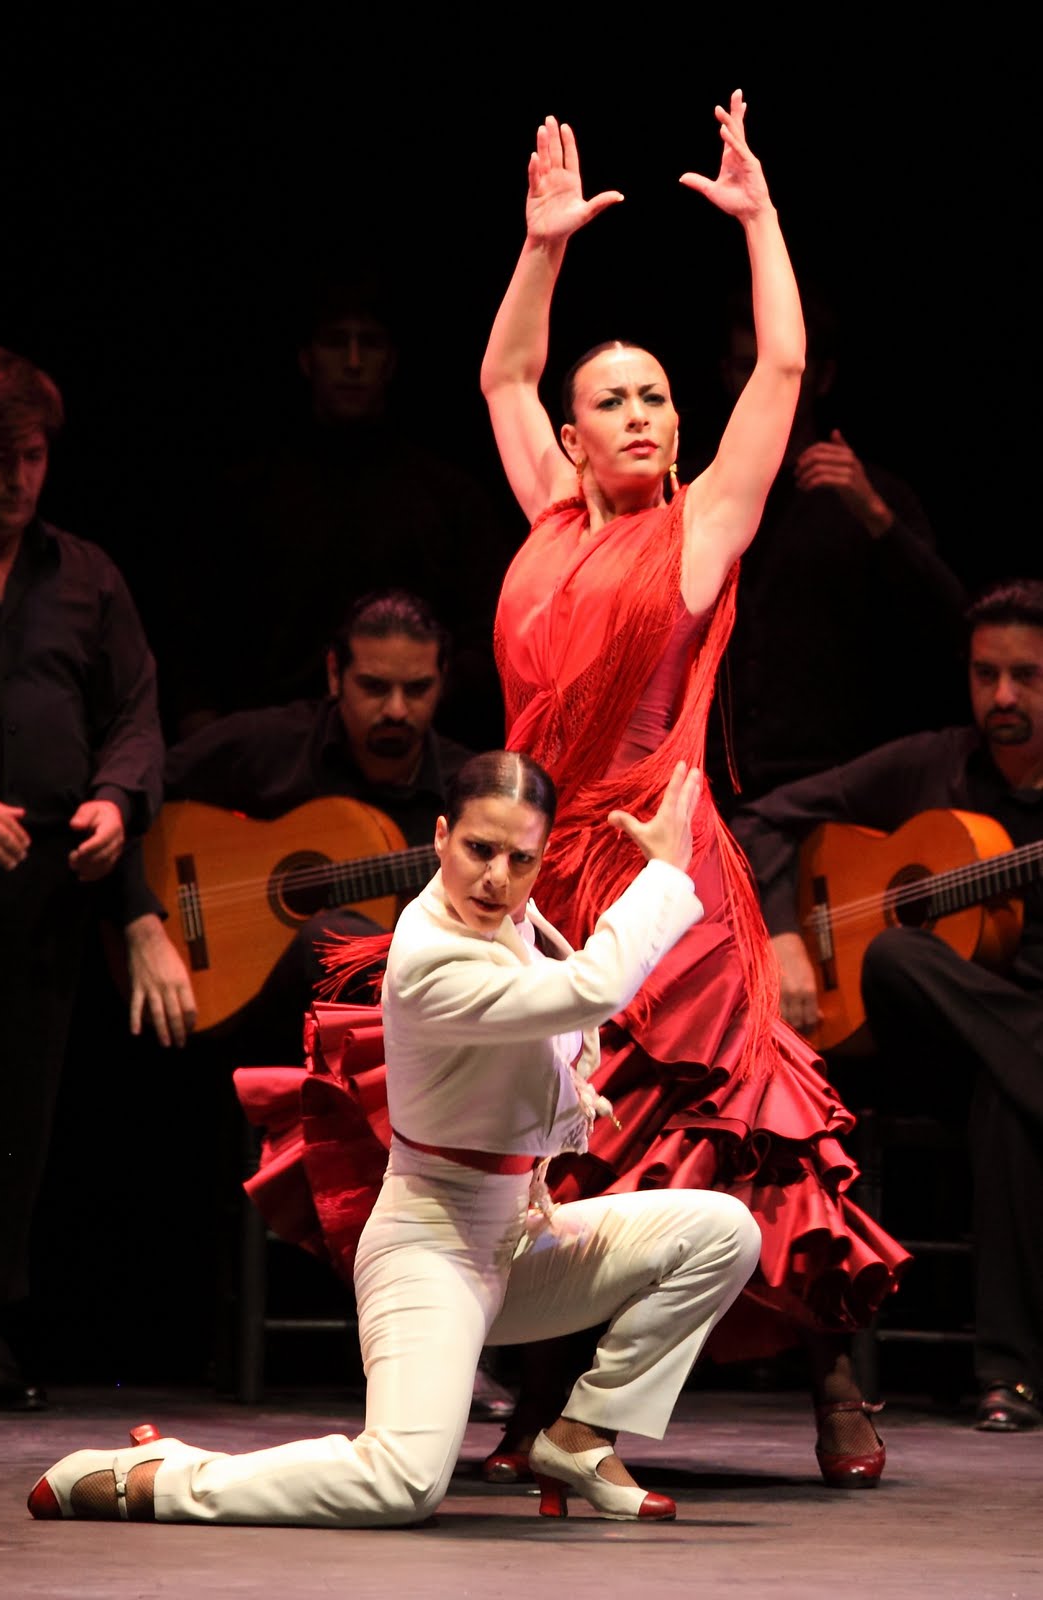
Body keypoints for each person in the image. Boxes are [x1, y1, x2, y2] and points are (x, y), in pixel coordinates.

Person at [477, 94, 908, 1487]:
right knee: (557, 1141)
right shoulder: (546, 516)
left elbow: (777, 371)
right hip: (544, 876)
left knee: (732, 1124)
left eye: (657, 394)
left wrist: (759, 220)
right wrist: (541, 249)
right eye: (614, 400)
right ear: (574, 432)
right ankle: (535, 1401)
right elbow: (497, 379)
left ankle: (834, 1388)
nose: (644, 415)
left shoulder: (697, 531)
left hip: (665, 871)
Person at [28, 751, 763, 1527]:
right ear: (441, 836)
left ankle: (581, 1434)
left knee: (721, 1231)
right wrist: (665, 872)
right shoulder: (430, 955)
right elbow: (591, 989)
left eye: (521, 859)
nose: (497, 878)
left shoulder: (515, 920)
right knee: (402, 1485)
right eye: (479, 850)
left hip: (514, 1243)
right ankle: (160, 1477)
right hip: (429, 1249)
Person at [730, 578, 1043, 1432]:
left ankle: (1004, 1378)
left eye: (1026, 676)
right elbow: (761, 819)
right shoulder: (931, 765)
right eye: (986, 674)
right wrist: (786, 933)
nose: (1002, 697)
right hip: (917, 1041)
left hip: (999, 1056)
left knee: (1006, 1101)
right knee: (903, 950)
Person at [0, 346, 172, 1409]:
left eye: (35, 457)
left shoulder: (84, 574)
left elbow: (136, 708)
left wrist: (114, 798)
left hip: (41, 885)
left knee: (13, 1110)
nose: (20, 480)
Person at [158, 276, 515, 750]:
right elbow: (192, 628)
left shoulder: (448, 498)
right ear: (306, 360)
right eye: (335, 343)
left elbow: (490, 635)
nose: (352, 362)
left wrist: (413, 702)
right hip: (267, 760)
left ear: (390, 361)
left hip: (409, 752)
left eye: (368, 344)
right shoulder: (244, 496)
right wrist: (202, 734)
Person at [122, 587, 475, 1064]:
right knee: (327, 936)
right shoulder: (272, 745)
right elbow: (133, 795)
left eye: (417, 689)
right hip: (241, 1036)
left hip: (391, 1051)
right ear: (334, 674)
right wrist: (138, 916)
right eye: (374, 687)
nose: (396, 709)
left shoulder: (470, 796)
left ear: (443, 679)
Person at [699, 285, 968, 810]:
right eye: (746, 367)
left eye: (781, 371)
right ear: (726, 374)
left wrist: (878, 519)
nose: (761, 386)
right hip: (713, 789)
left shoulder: (869, 497)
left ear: (820, 377)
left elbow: (954, 628)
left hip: (833, 791)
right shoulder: (699, 494)